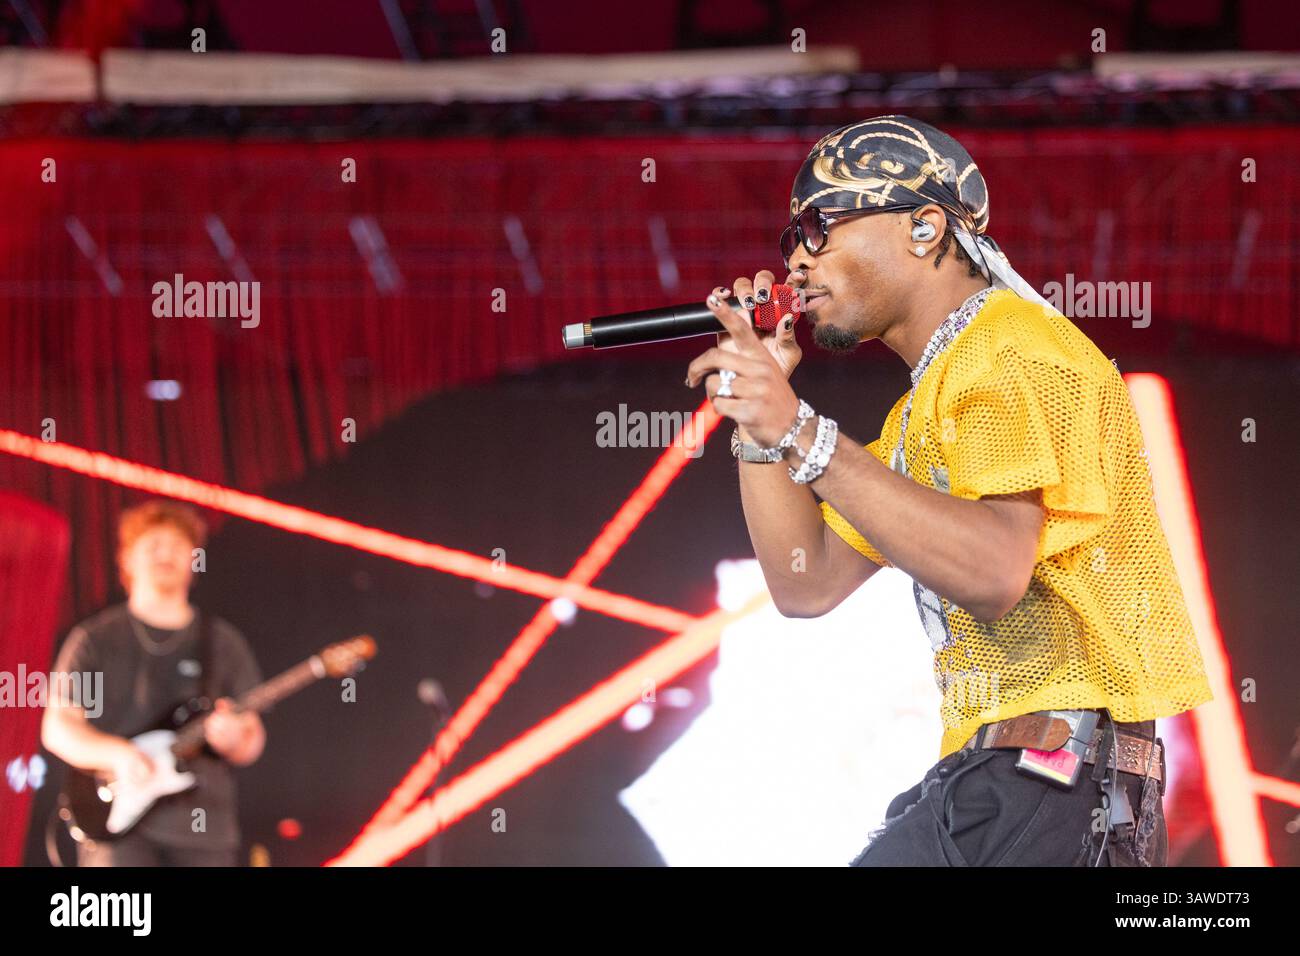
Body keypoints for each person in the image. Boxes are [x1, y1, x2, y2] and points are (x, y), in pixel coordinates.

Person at [684, 115, 1213, 866]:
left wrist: (801, 429)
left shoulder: (1012, 348)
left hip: (1049, 782)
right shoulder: (925, 405)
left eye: (817, 226)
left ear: (926, 225)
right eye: (789, 242)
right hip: (1026, 787)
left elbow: (995, 572)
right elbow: (807, 581)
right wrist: (758, 420)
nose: (796, 264)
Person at [42, 499, 265, 866]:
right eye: (154, 545)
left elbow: (252, 739)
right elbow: (59, 728)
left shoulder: (222, 642)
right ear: (127, 559)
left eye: (179, 546)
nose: (167, 554)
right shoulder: (95, 640)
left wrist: (236, 738)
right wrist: (117, 754)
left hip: (205, 835)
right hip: (117, 832)